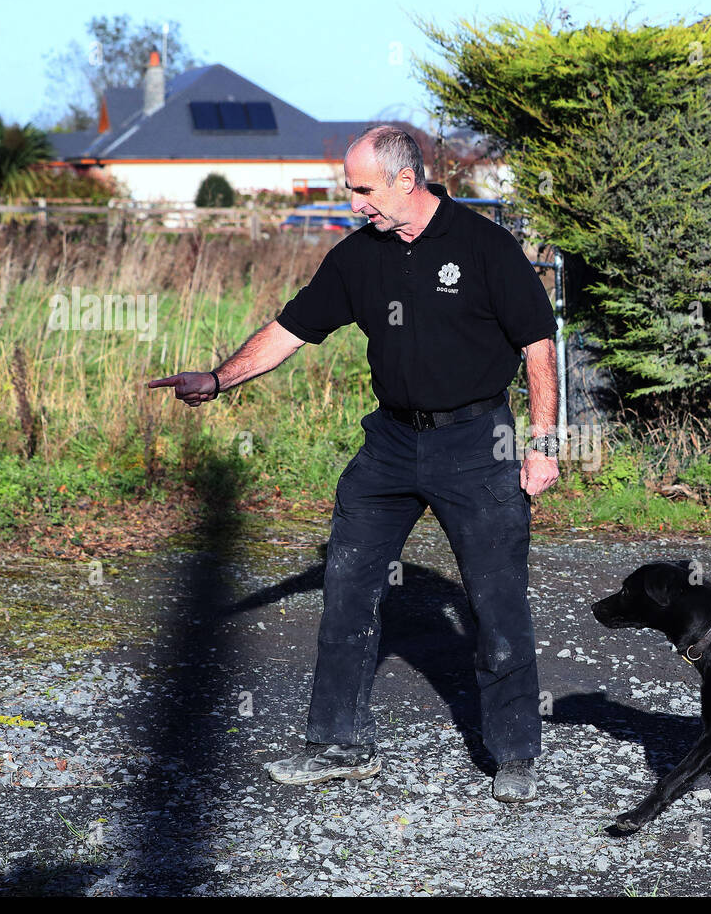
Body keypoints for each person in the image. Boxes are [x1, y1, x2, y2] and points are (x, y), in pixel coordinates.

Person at [149, 125, 560, 803]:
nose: (354, 204)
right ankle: (338, 742)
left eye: (361, 190)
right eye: (349, 190)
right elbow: (291, 330)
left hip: (477, 442)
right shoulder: (356, 258)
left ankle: (514, 751)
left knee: (496, 599)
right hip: (391, 444)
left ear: (406, 180)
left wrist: (541, 447)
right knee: (347, 583)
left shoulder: (484, 247)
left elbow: (537, 344)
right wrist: (220, 379)